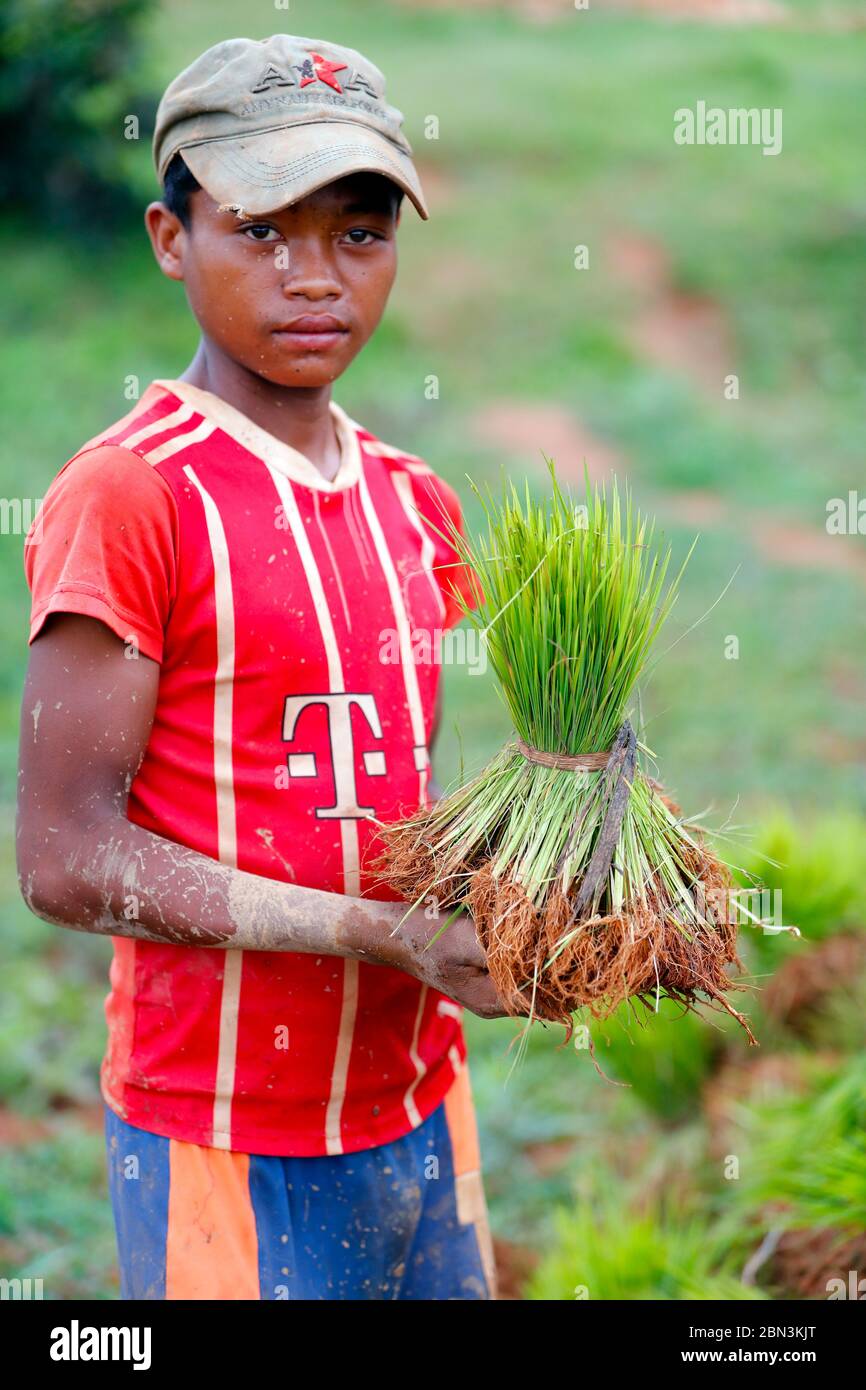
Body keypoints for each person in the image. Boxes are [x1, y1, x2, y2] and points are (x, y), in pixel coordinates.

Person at [17, 33, 504, 1301]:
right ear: (171, 237)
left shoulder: (415, 500)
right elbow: (65, 857)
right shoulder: (130, 495)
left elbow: (368, 788)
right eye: (259, 231)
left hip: (418, 1098)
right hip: (225, 1130)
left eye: (357, 232)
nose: (314, 279)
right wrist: (378, 933)